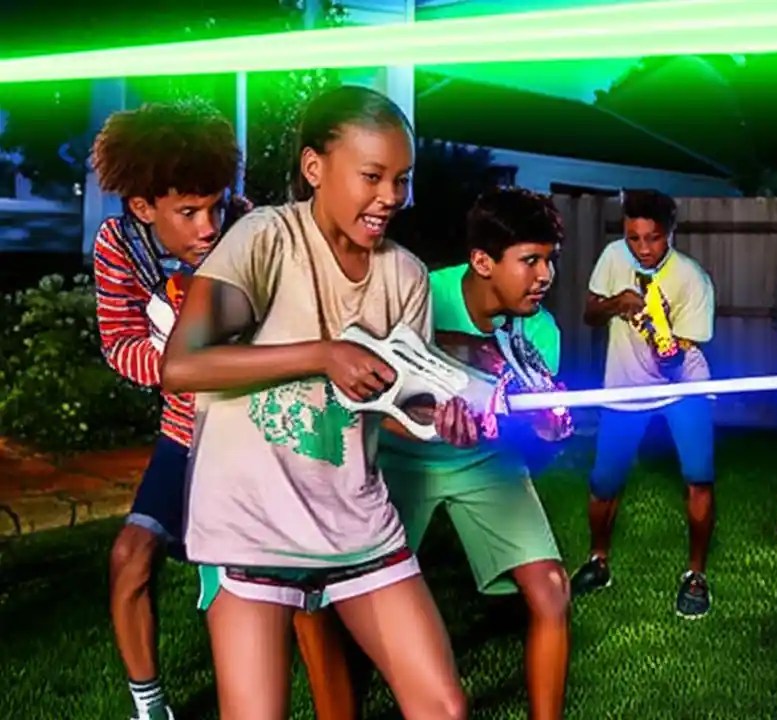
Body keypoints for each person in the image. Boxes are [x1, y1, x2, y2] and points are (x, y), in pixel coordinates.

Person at [160, 85, 468, 720]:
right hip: (254, 527)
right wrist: (322, 353)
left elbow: (395, 412)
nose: (391, 197)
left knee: (442, 708)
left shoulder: (405, 276)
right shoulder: (266, 238)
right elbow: (184, 364)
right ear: (314, 168)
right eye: (373, 176)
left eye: (402, 180)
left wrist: (445, 424)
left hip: (357, 524)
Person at [89, 101, 352, 720]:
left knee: (298, 590)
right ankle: (150, 708)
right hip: (186, 432)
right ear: (142, 208)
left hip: (261, 429)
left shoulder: (252, 228)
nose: (208, 224)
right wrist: (178, 357)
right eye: (188, 212)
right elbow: (118, 344)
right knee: (130, 557)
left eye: (214, 204)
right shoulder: (117, 247)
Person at [379, 188, 574, 720]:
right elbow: (375, 398)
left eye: (549, 260)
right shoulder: (420, 294)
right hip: (399, 460)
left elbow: (530, 448)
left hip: (484, 461)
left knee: (552, 590)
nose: (545, 276)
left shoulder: (539, 332)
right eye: (530, 260)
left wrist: (544, 433)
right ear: (482, 261)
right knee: (350, 601)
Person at [568, 189, 718, 619]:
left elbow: (675, 362)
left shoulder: (692, 279)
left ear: (670, 233)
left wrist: (658, 329)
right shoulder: (614, 257)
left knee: (699, 477)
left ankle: (696, 575)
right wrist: (618, 303)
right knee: (603, 482)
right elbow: (590, 314)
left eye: (652, 238)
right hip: (623, 384)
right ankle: (598, 562)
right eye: (634, 238)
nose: (643, 249)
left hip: (682, 385)